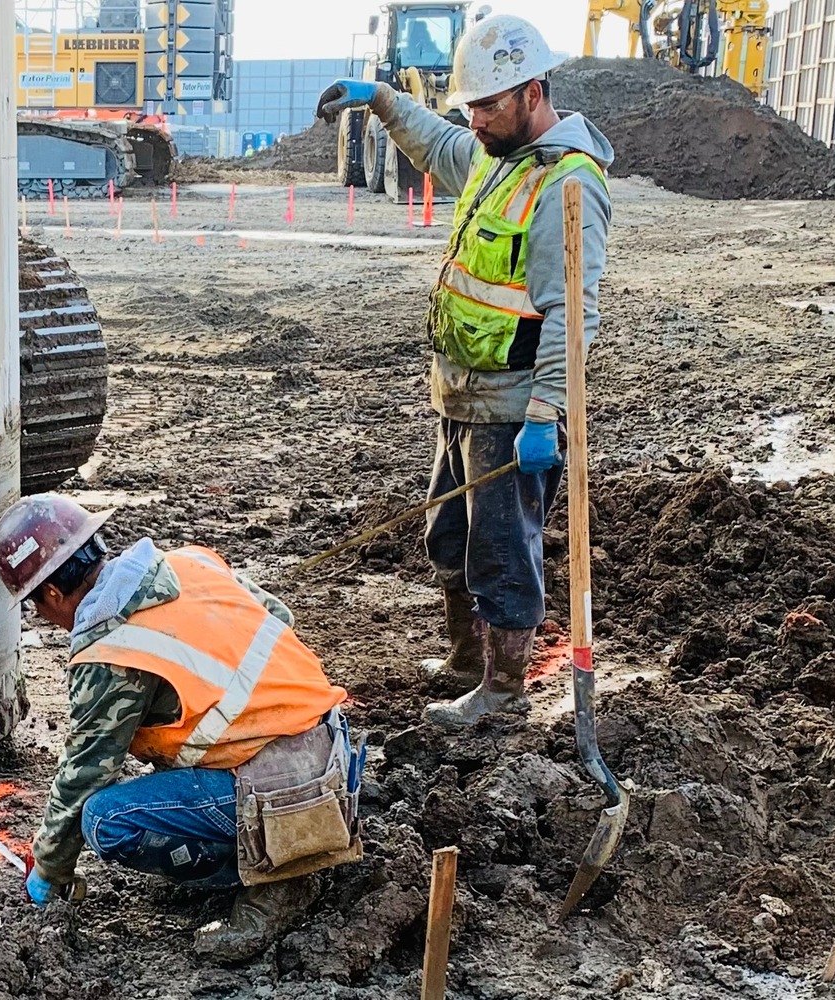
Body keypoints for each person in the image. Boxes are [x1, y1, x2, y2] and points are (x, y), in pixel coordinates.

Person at [313, 14, 613, 731]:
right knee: (447, 538)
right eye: (470, 106)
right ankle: (463, 659)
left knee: (502, 555)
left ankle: (504, 693)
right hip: (461, 395)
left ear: (533, 92)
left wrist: (545, 415)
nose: (473, 120)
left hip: (512, 408)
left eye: (487, 106)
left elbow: (572, 314)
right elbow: (437, 142)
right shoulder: (492, 154)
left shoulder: (565, 187)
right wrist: (383, 99)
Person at [0, 493, 362, 960]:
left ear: (51, 594)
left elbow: (85, 773)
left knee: (106, 820)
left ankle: (282, 876)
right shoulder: (189, 563)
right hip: (334, 754)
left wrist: (49, 871)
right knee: (165, 780)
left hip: (286, 796)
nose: (42, 619)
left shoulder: (109, 651)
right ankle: (276, 845)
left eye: (35, 607)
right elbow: (278, 618)